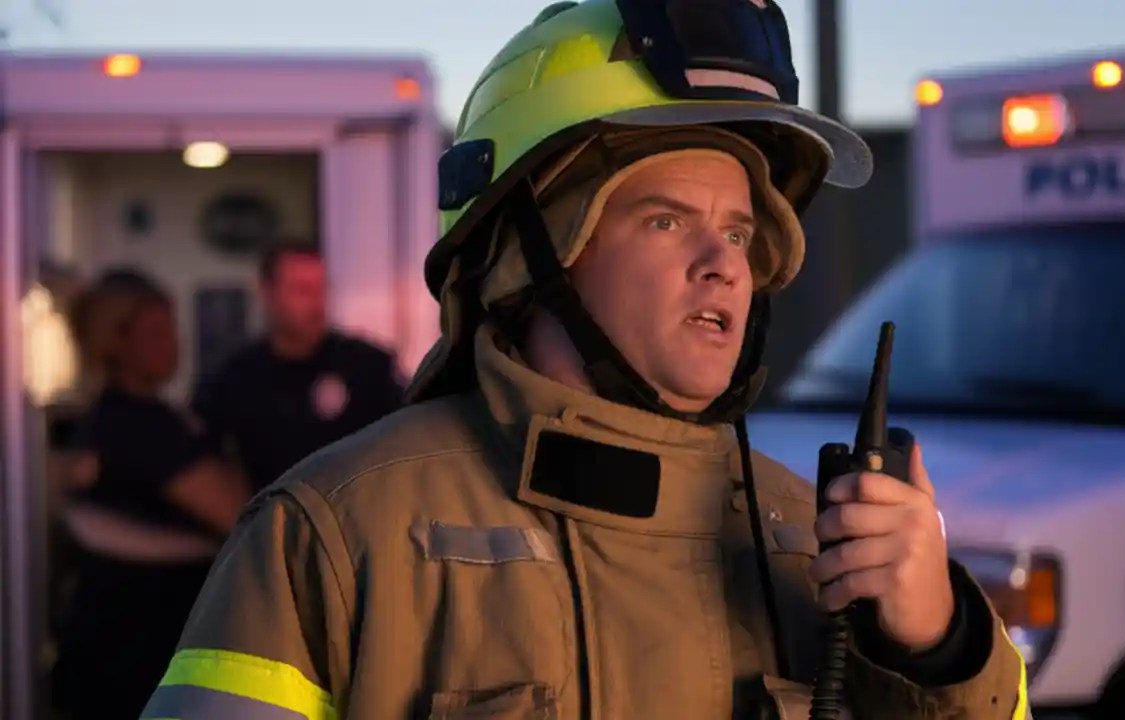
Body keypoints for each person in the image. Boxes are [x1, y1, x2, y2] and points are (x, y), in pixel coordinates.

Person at [142, 2, 1030, 718]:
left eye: (738, 231)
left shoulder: (814, 543)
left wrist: (937, 645)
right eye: (667, 220)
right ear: (533, 251)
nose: (724, 263)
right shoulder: (336, 535)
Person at [51, 269, 249, 719]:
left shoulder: (122, 418)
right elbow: (237, 514)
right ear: (116, 343)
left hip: (121, 646)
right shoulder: (138, 426)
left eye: (172, 330)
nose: (172, 345)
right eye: (156, 333)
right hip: (134, 649)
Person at [192, 241, 406, 493]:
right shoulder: (234, 380)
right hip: (271, 521)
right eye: (302, 291)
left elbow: (406, 439)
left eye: (321, 289)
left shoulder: (368, 365)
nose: (316, 304)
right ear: (268, 294)